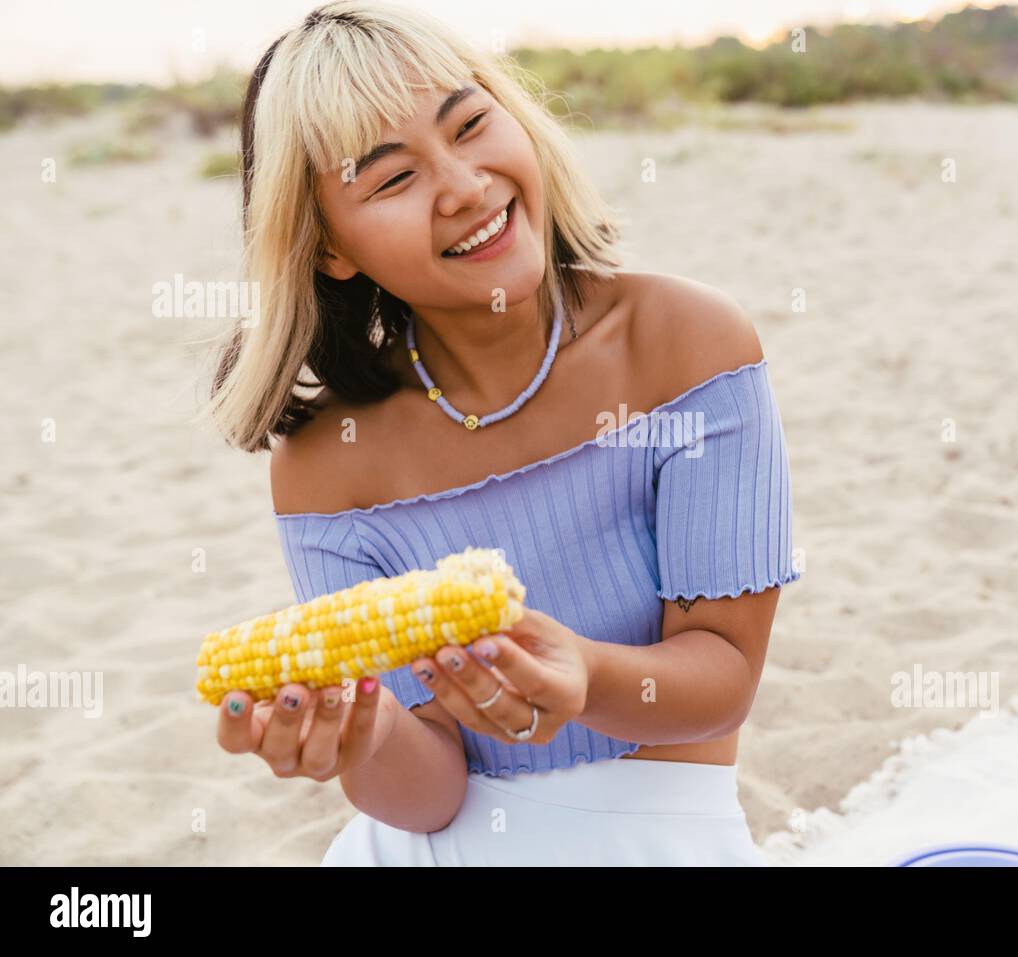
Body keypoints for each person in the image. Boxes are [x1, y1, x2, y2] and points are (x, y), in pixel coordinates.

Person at [197, 0, 799, 866]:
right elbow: (432, 793)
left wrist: (584, 676)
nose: (466, 186)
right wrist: (361, 737)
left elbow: (723, 680)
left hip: (664, 834)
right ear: (330, 247)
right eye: (393, 179)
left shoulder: (686, 347)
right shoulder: (327, 464)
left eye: (471, 124)